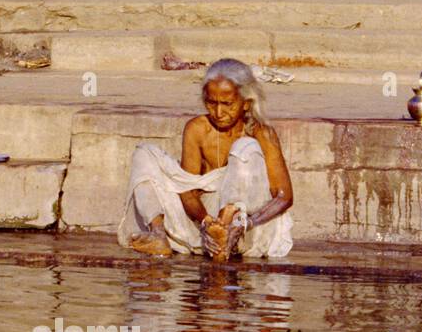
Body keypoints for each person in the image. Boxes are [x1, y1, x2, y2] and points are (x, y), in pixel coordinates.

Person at [118, 58, 294, 260]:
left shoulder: (262, 134)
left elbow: (284, 196)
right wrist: (206, 223)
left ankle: (230, 227)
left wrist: (245, 224)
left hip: (247, 231)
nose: (219, 113)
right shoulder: (197, 128)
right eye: (212, 103)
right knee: (145, 153)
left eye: (227, 104)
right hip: (202, 229)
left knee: (245, 147)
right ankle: (158, 235)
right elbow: (188, 191)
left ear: (245, 104)